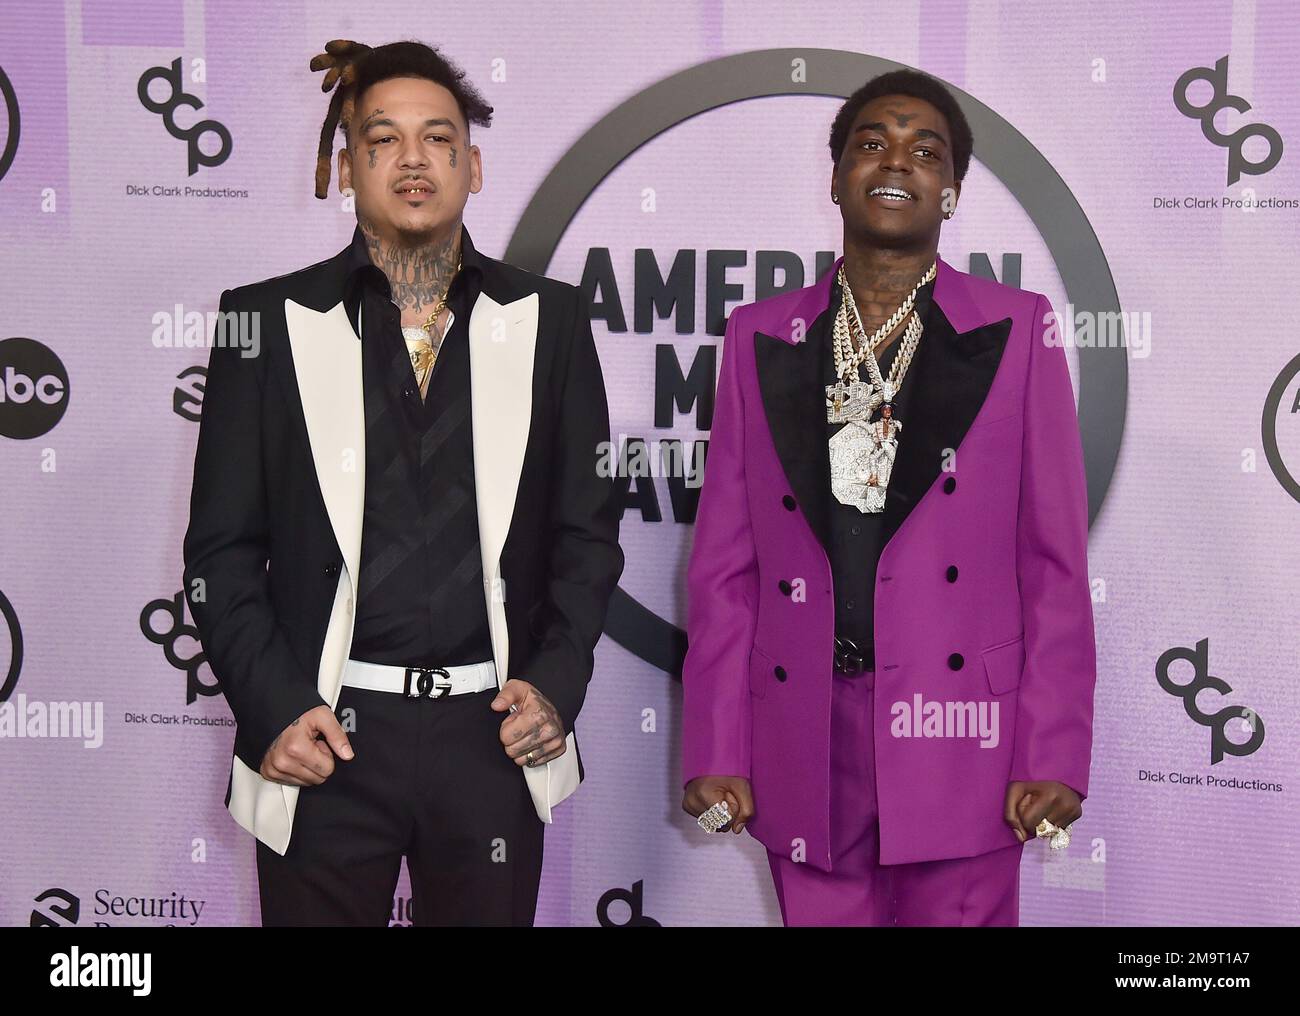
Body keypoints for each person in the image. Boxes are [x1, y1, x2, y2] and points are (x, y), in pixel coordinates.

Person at [182, 39, 623, 926]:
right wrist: (275, 709)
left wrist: (554, 685)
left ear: (475, 165)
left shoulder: (553, 323)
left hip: (492, 738)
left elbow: (587, 538)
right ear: (349, 167)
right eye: (383, 140)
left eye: (439, 139)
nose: (414, 159)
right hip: (325, 735)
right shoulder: (264, 321)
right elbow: (221, 553)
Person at [680, 69, 1096, 926]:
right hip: (805, 729)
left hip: (964, 740)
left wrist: (1051, 751)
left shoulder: (1018, 329)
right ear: (834, 177)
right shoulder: (759, 334)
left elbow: (1053, 563)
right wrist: (718, 746)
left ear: (951, 191)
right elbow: (725, 565)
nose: (895, 160)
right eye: (871, 143)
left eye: (925, 149)